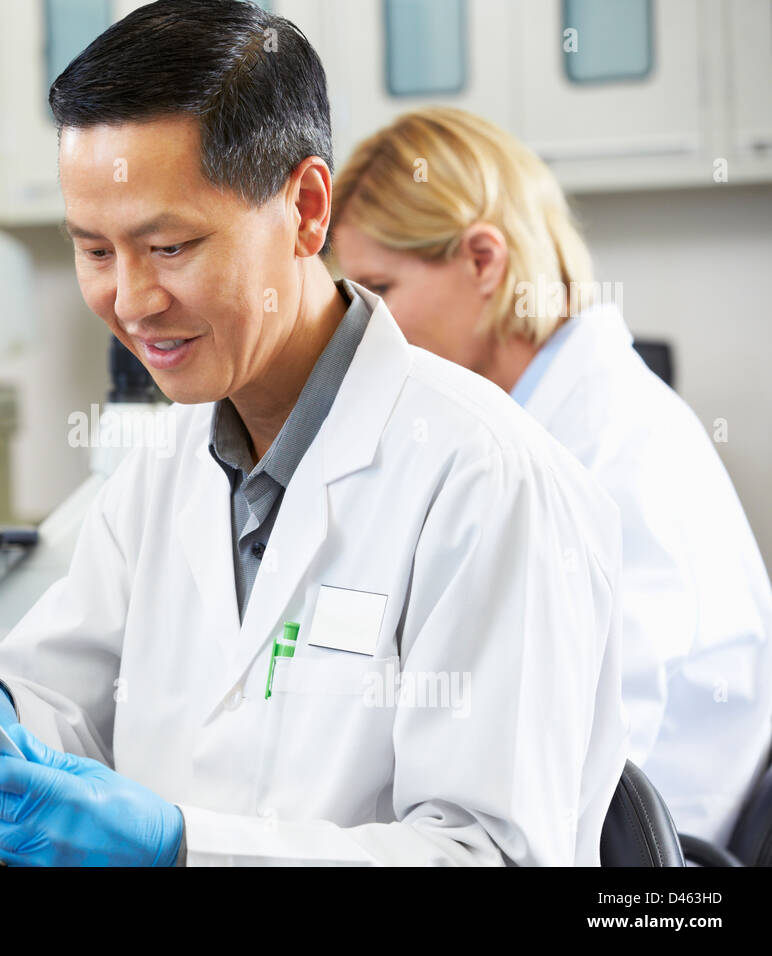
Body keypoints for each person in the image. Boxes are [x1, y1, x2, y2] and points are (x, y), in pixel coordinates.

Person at [0, 0, 627, 866]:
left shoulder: (487, 481)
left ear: (306, 208)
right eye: (95, 252)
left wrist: (184, 848)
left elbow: (496, 856)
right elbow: (58, 698)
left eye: (171, 246)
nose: (133, 301)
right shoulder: (162, 470)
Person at [328, 105, 772, 846]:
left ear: (482, 260)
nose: (361, 325)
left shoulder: (616, 445)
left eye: (380, 288)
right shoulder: (519, 422)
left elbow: (598, 748)